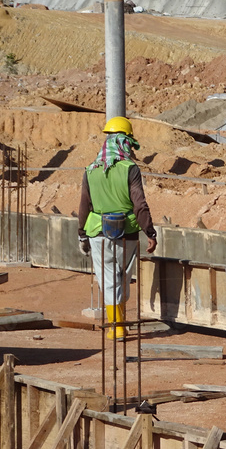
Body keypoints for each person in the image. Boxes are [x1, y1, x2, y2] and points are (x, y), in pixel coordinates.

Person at [78, 116, 157, 340]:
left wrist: (82, 235)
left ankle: (117, 326)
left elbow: (84, 205)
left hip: (98, 233)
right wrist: (150, 232)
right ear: (126, 143)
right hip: (128, 233)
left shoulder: (91, 170)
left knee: (108, 280)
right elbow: (139, 204)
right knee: (123, 279)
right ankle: (120, 323)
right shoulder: (130, 169)